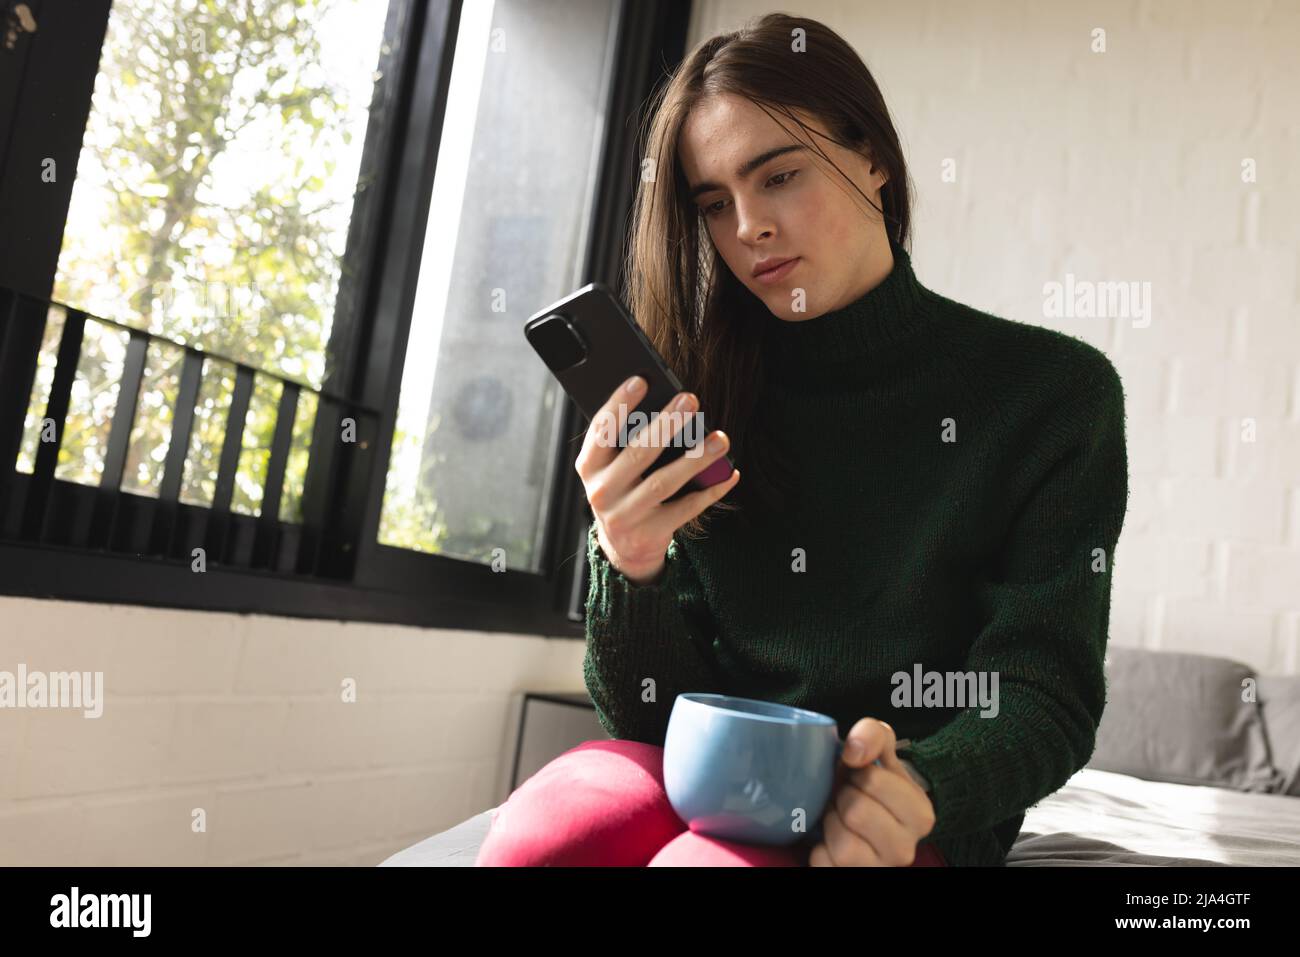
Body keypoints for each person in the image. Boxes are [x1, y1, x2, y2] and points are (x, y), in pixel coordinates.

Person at [477, 12, 1128, 867]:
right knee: (542, 838)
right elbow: (647, 718)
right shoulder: (700, 400)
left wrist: (923, 786)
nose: (748, 226)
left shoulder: (1053, 394)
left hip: (903, 800)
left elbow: (1045, 690)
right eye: (714, 203)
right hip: (710, 768)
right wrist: (629, 564)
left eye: (778, 175)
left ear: (875, 160)